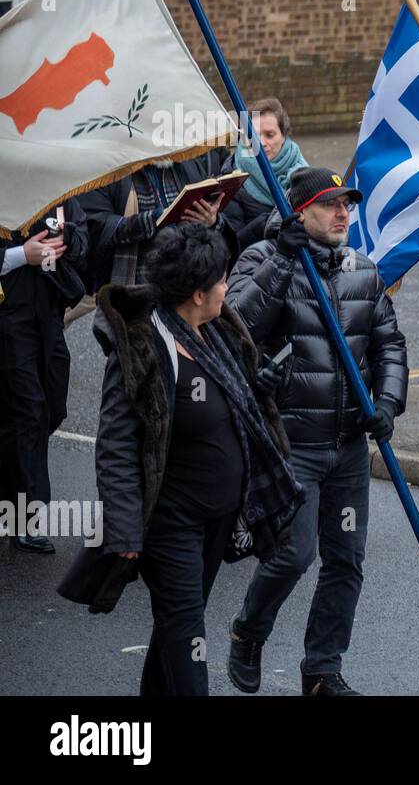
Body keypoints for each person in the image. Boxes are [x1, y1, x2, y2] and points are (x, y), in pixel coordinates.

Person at [92, 223, 300, 695]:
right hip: (171, 524)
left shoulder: (219, 330)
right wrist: (124, 528)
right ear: (198, 292)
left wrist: (261, 387)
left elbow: (237, 400)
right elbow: (116, 444)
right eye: (223, 281)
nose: (229, 288)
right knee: (188, 639)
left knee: (177, 629)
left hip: (218, 521)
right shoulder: (144, 346)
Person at [224, 167, 408, 697]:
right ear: (299, 213)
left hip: (348, 445)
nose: (342, 214)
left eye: (346, 205)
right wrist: (282, 257)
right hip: (290, 444)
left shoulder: (364, 271)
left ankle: (322, 670)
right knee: (292, 554)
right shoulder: (263, 258)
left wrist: (388, 404)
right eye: (329, 206)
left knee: (346, 561)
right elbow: (236, 325)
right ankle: (248, 632)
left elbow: (390, 346)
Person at [0, 200, 88, 553]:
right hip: (9, 315)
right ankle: (24, 519)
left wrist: (65, 238)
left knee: (51, 406)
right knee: (27, 411)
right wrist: (24, 253)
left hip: (48, 313)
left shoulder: (56, 185)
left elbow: (83, 237)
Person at [81, 149, 237, 289]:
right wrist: (153, 220)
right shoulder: (105, 168)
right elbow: (97, 225)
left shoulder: (186, 159)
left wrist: (211, 220)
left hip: (186, 285)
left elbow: (212, 220)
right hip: (133, 287)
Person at [222, 97, 310, 252]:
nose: (261, 143)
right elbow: (231, 247)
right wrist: (265, 225)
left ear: (284, 135)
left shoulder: (304, 172)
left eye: (269, 135)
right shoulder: (233, 180)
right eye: (254, 136)